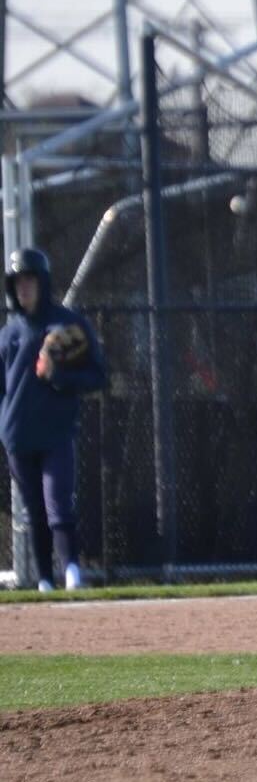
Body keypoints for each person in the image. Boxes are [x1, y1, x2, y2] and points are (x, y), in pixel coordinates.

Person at [1, 247, 107, 592]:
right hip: (18, 437)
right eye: (18, 282)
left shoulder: (67, 325)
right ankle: (45, 580)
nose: (24, 288)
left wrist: (58, 375)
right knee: (34, 511)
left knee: (58, 502)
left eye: (30, 280)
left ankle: (72, 573)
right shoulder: (8, 333)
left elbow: (98, 376)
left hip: (57, 432)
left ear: (43, 282)